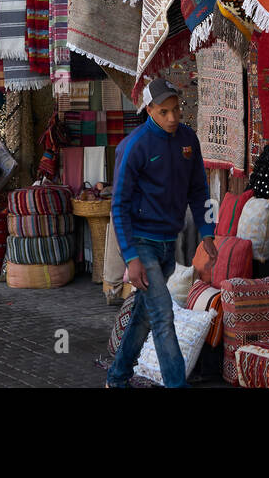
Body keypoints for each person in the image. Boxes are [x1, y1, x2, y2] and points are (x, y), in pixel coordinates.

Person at [107, 77, 216, 388]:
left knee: (144, 317)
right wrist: (130, 258)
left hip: (170, 242)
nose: (172, 118)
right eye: (164, 112)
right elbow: (119, 206)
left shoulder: (188, 140)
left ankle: (116, 378)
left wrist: (207, 231)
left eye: (176, 110)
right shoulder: (134, 146)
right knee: (164, 317)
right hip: (142, 243)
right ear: (150, 109)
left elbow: (199, 189)